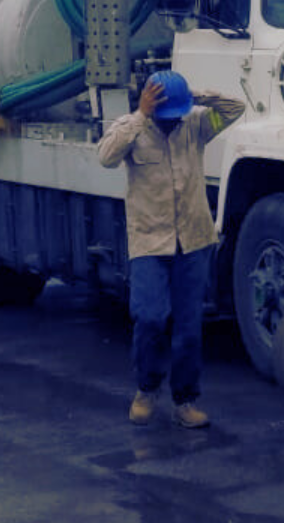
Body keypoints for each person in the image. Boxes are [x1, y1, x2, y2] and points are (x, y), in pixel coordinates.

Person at [97, 70, 244, 428]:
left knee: (190, 326)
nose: (172, 122)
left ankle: (185, 400)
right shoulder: (131, 128)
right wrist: (142, 113)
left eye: (176, 114)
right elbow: (106, 157)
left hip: (193, 240)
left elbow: (236, 108)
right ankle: (146, 390)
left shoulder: (195, 124)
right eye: (167, 116)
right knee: (150, 317)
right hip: (150, 242)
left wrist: (193, 94)